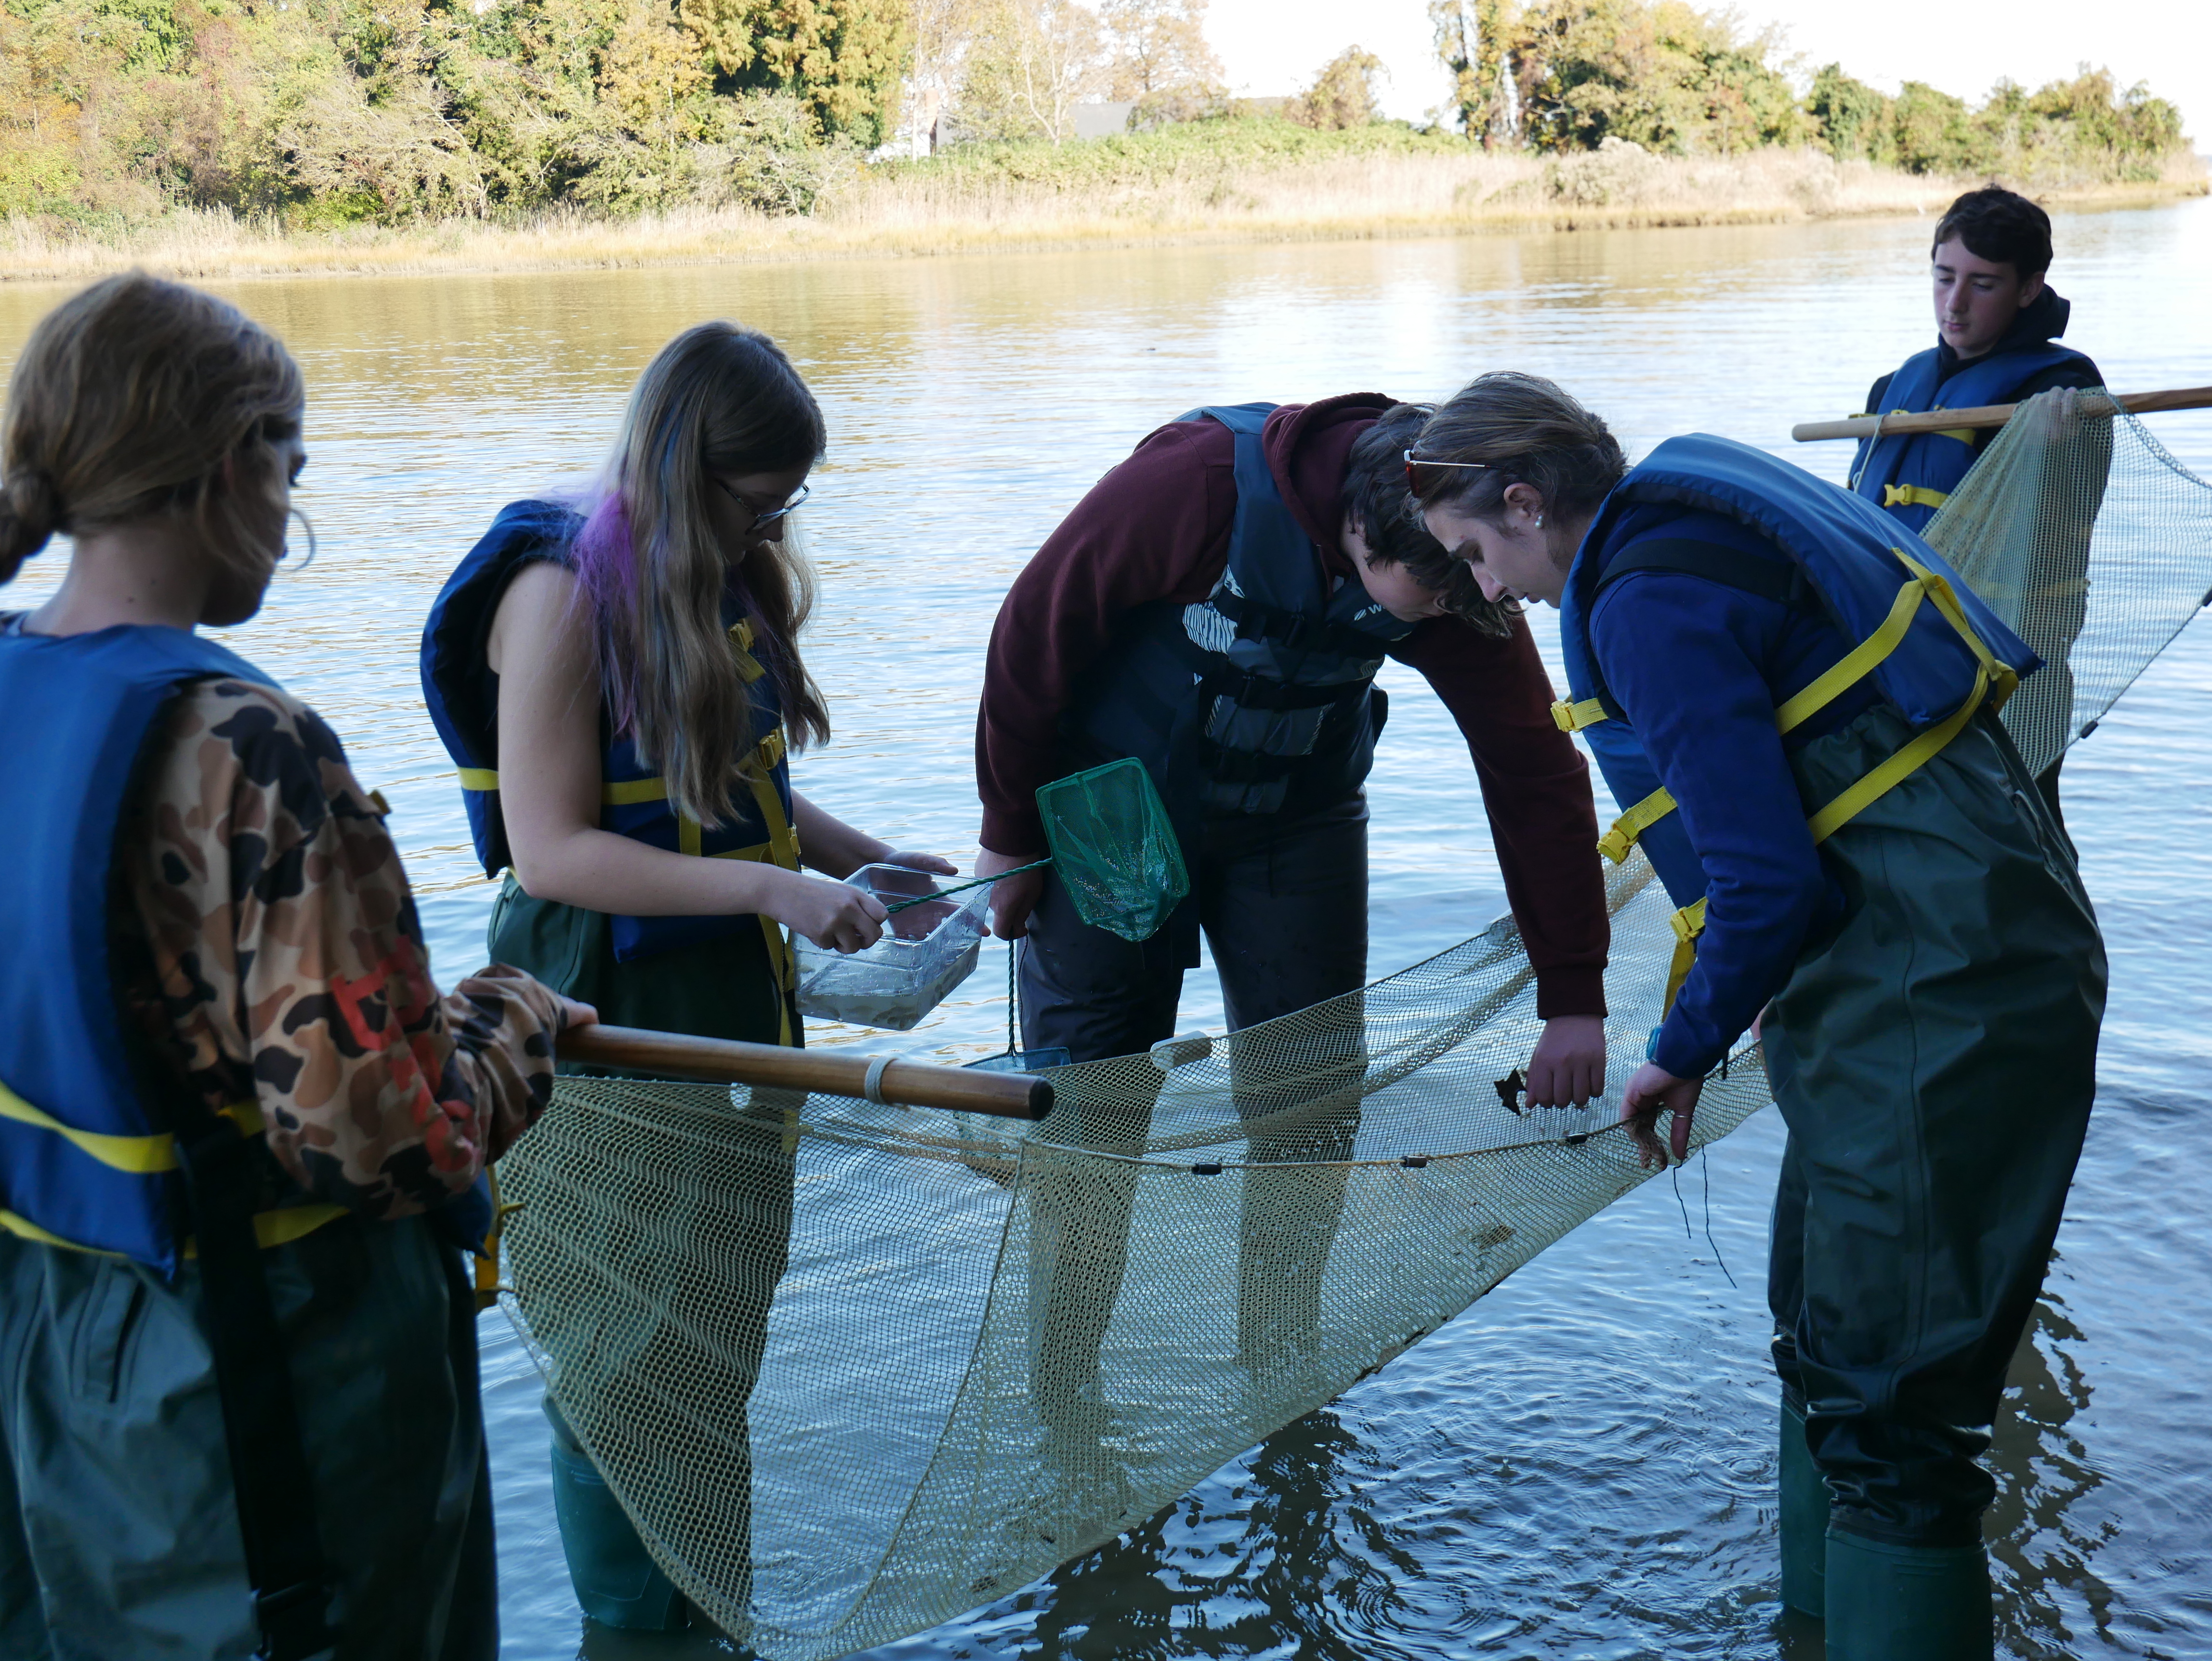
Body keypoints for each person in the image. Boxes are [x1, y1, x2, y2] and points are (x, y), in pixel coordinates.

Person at [1411, 371, 2105, 1661]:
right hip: (1944, 962)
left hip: (1947, 988)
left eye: (1476, 554)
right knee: (1828, 1345)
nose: (1491, 591)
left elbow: (1766, 884)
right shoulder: (1682, 513)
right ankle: (1811, 1634)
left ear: (1523, 500)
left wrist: (1675, 1053)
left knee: (1895, 1418)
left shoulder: (1645, 599)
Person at [0, 274, 591, 1661]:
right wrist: (516, 1020)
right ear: (229, 469)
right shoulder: (244, 746)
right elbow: (380, 1139)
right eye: (294, 470)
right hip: (264, 1363)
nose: (291, 512)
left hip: (55, 1319)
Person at [421, 321, 950, 1636]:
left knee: (713, 1339)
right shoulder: (555, 596)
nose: (773, 532)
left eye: (789, 506)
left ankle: (706, 1612)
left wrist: (872, 864)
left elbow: (732, 794)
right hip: (598, 1015)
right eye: (759, 503)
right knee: (621, 1360)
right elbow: (555, 849)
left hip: (730, 1006)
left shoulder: (718, 574)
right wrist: (777, 891)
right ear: (687, 472)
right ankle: (634, 1633)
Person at [970, 396, 1611, 1424]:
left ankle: (1282, 1378)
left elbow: (1532, 768)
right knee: (1092, 1116)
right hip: (1112, 812)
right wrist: (1008, 833)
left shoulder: (1453, 559)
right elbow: (1034, 633)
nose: (1471, 599)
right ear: (1366, 531)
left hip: (1296, 821)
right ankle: (1063, 1393)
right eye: (1443, 593)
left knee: (1308, 1104)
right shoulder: (1192, 489)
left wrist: (1570, 990)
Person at [1851, 186, 2109, 822]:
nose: (1955, 305)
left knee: (2021, 838)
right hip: (1895, 650)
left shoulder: (2066, 392)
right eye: (1944, 278)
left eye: (1984, 285)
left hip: (2011, 662)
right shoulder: (1895, 386)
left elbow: (2061, 524)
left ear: (2030, 289)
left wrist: (2051, 453)